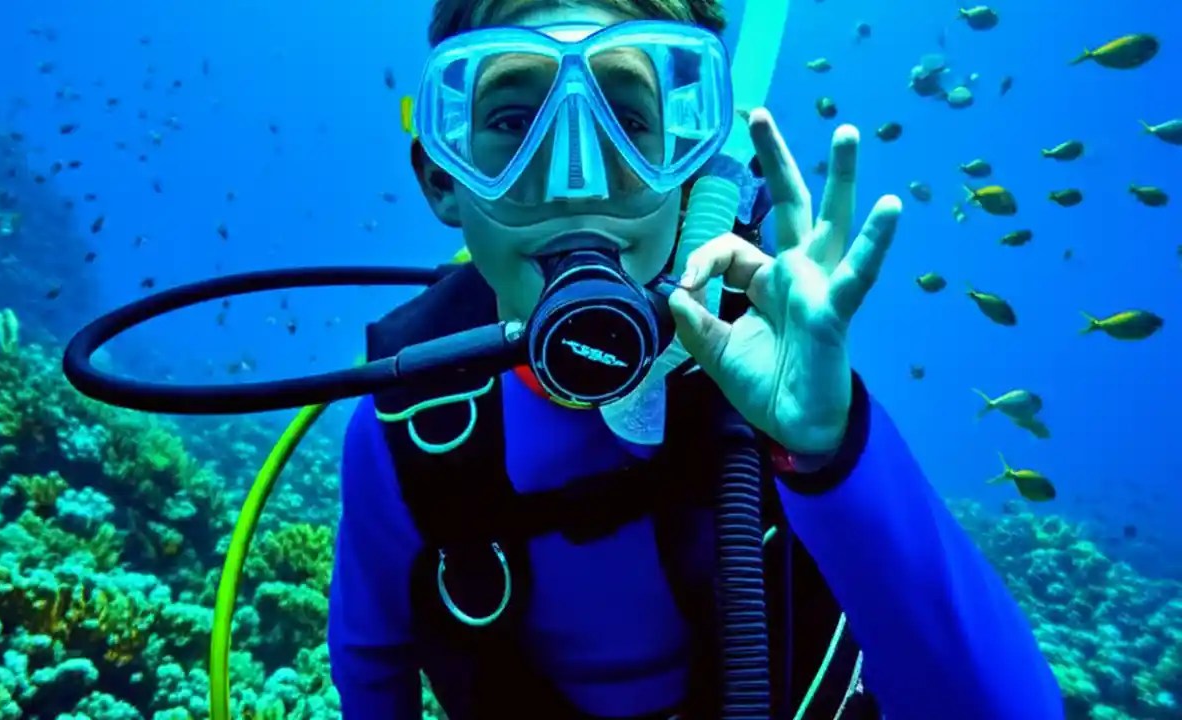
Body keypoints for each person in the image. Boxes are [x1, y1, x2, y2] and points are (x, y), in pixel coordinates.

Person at [328, 1, 1065, 718]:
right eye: (514, 121)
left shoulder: (765, 368)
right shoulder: (415, 419)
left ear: (689, 166)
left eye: (629, 120)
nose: (576, 178)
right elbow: (371, 665)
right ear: (442, 177)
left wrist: (832, 451)